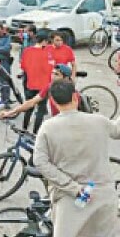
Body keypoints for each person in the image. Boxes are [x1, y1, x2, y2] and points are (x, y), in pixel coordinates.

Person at [33, 79, 120, 236]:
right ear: (75, 97)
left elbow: (40, 162)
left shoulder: (47, 128)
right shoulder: (99, 121)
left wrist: (72, 187)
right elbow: (117, 130)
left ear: (53, 101)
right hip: (103, 197)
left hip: (70, 199)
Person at [18, 33, 53, 133]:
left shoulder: (27, 51)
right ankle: (35, 132)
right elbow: (50, 68)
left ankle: (24, 129)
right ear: (44, 41)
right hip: (43, 85)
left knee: (29, 107)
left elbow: (23, 66)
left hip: (30, 84)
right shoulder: (47, 53)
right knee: (40, 110)